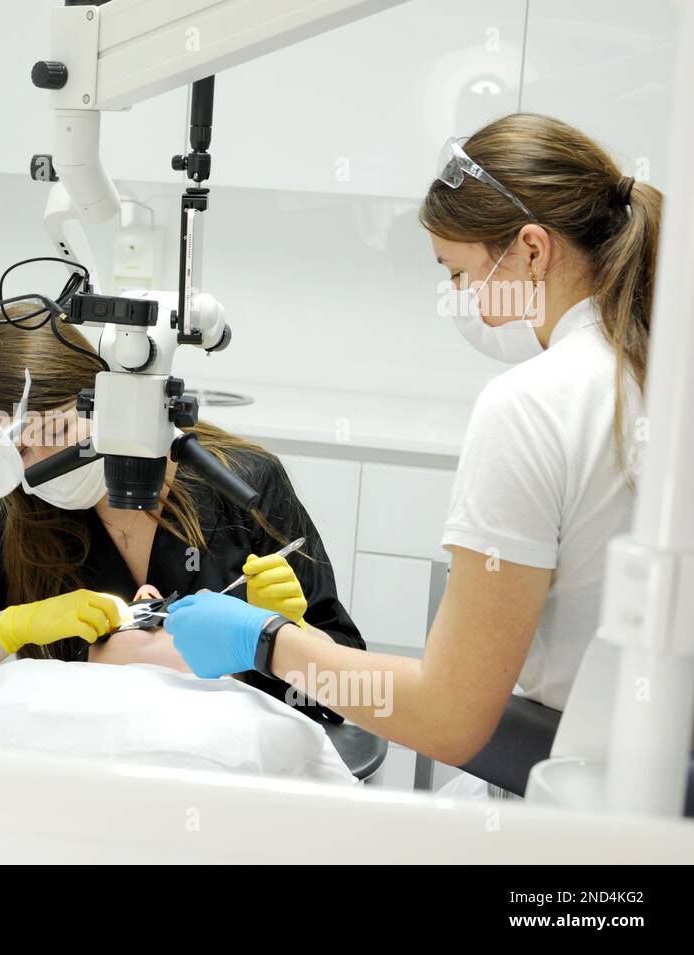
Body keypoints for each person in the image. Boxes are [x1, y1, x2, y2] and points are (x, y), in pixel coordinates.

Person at [165, 113, 658, 772]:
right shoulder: (658, 379)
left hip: (572, 807)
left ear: (533, 251)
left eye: (457, 274)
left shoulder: (533, 405)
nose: (459, 302)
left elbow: (447, 717)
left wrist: (264, 640)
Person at [0, 308, 364, 713]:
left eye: (55, 434)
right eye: (15, 452)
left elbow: (350, 688)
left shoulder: (244, 486)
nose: (39, 466)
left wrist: (278, 639)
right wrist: (15, 625)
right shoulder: (26, 516)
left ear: (106, 401)